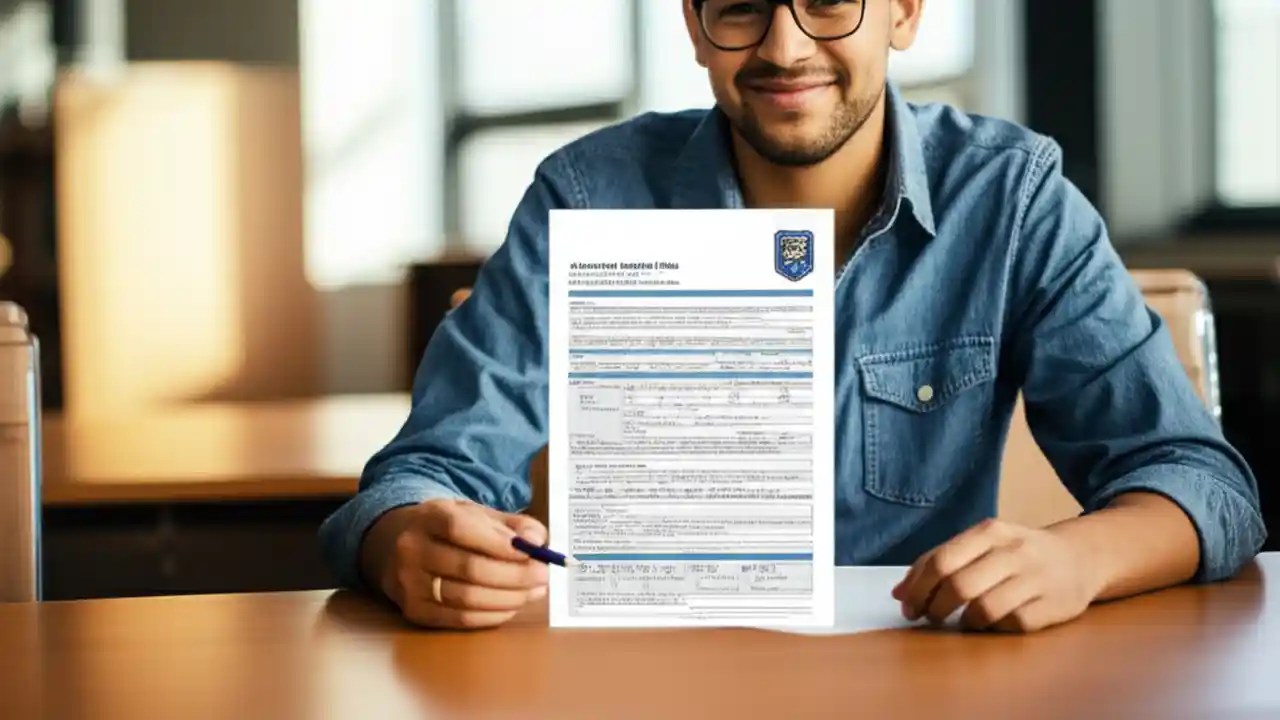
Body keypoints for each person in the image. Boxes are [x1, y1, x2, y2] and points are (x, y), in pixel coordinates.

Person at [319, 0, 1266, 632]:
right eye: (739, 6)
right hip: (650, 685)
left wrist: (1079, 558)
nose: (781, 45)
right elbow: (418, 477)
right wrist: (409, 543)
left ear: (902, 10)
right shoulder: (586, 197)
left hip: (923, 681)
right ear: (693, 24)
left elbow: (1203, 485)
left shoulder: (1011, 197)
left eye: (826, 0)